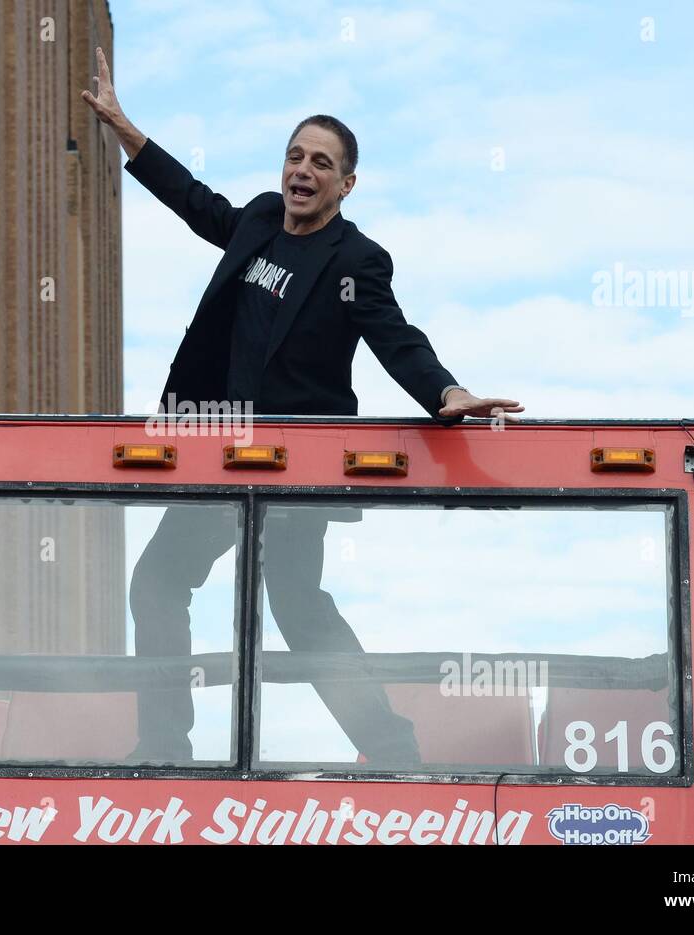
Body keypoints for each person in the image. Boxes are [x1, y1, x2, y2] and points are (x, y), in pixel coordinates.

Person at [82, 47, 525, 769]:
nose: (303, 171)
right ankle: (163, 747)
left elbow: (396, 338)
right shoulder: (257, 223)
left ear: (346, 184)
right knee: (157, 582)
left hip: (295, 468)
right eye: (295, 156)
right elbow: (197, 203)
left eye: (322, 163)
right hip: (216, 453)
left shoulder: (356, 261)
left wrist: (446, 394)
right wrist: (125, 129)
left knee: (296, 605)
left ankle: (390, 750)